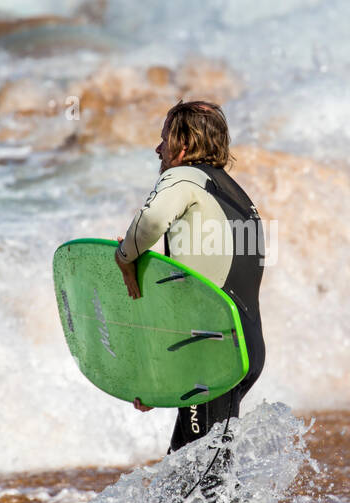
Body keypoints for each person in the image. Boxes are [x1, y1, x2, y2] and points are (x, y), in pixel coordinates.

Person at [113, 100, 266, 456]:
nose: (158, 148)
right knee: (188, 476)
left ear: (182, 146)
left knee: (204, 481)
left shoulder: (181, 177)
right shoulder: (238, 197)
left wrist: (124, 257)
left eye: (164, 138)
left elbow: (150, 223)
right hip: (243, 349)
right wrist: (162, 381)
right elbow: (198, 284)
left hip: (210, 352)